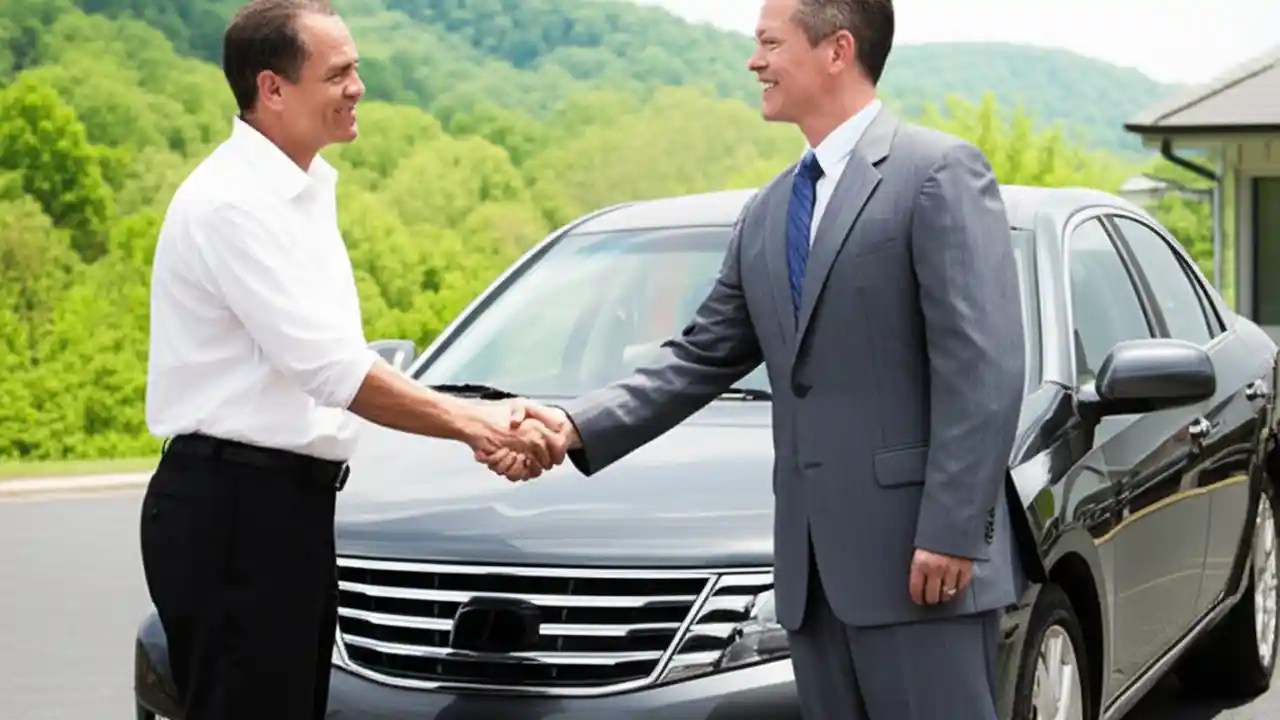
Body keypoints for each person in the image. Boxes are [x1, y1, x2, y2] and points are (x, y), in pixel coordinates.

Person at [480, 0, 1029, 717]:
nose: (754, 61)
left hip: (921, 565)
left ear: (837, 50)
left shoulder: (938, 173)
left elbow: (983, 368)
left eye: (770, 43)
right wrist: (571, 424)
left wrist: (953, 530)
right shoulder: (768, 212)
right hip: (810, 578)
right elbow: (699, 355)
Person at [140, 1, 563, 717]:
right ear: (273, 89)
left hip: (284, 509)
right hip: (235, 513)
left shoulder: (300, 195)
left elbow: (333, 361)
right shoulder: (233, 205)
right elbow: (331, 370)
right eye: (338, 72)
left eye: (356, 67)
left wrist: (473, 417)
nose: (358, 85)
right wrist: (478, 423)